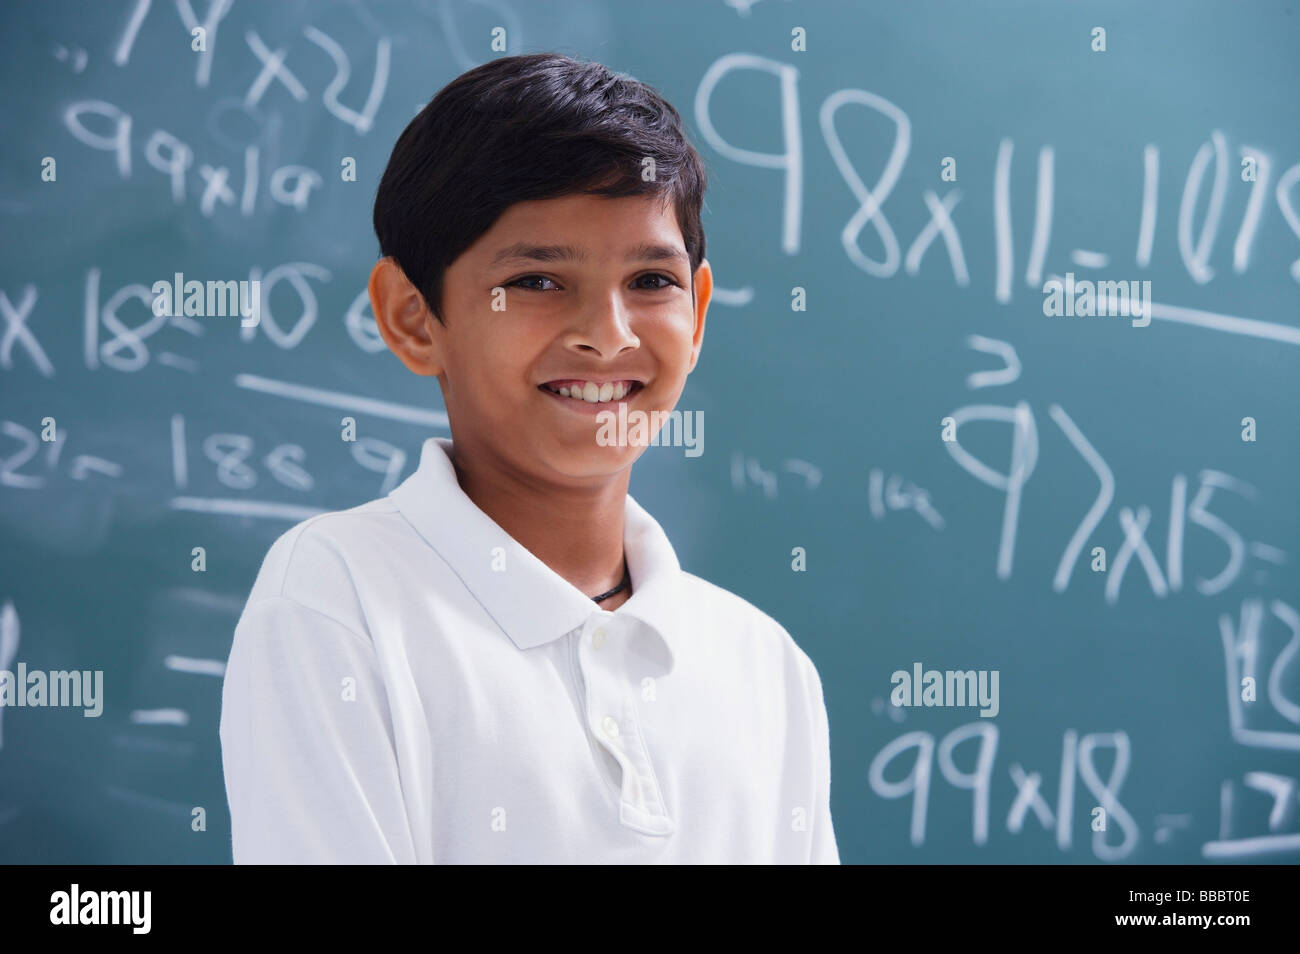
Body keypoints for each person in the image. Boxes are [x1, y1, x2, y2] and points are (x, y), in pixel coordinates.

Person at [219, 52, 839, 864]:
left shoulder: (766, 669)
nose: (609, 335)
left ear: (699, 315)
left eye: (652, 279)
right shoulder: (339, 601)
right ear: (412, 317)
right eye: (539, 281)